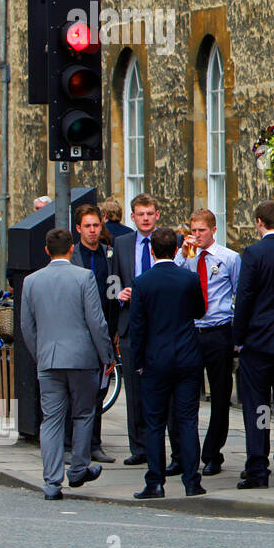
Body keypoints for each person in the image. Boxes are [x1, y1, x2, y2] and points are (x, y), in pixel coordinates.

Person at [19, 228, 116, 500]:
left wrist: (41, 355)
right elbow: (96, 322)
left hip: (48, 359)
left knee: (51, 420)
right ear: (71, 249)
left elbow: (27, 326)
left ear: (47, 250)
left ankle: (51, 483)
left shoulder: (31, 281)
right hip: (82, 359)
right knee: (83, 415)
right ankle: (78, 470)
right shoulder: (83, 277)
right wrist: (107, 356)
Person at [127, 227, 207, 499]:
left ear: (152, 251)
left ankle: (155, 482)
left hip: (155, 360)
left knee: (154, 423)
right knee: (187, 421)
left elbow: (137, 327)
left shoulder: (143, 282)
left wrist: (138, 362)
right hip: (186, 357)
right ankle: (192, 481)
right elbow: (200, 311)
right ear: (175, 250)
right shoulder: (188, 278)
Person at [231, 201, 274, 489]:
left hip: (258, 342)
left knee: (259, 407)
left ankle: (258, 468)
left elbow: (244, 297)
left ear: (260, 222)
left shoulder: (254, 252)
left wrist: (237, 338)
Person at [109, 193, 181, 468]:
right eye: (141, 214)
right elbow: (111, 281)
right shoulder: (122, 243)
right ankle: (139, 448)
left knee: (170, 394)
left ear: (157, 215)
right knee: (135, 390)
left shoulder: (170, 241)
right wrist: (119, 294)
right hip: (131, 323)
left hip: (162, 325)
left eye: (150, 213)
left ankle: (174, 451)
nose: (146, 218)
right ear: (133, 217)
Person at [174, 208, 241, 477]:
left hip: (218, 330)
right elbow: (172, 277)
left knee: (220, 394)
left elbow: (238, 294)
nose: (197, 236)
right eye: (194, 231)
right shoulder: (187, 257)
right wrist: (182, 252)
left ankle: (213, 452)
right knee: (186, 395)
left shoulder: (229, 258)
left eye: (202, 231)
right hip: (192, 330)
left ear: (213, 230)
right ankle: (183, 453)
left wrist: (237, 336)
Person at [67, 204, 116, 464]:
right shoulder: (72, 256)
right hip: (77, 332)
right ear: (78, 229)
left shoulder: (110, 254)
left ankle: (94, 444)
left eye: (96, 225)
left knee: (99, 391)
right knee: (73, 391)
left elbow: (114, 291)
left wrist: (114, 330)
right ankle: (69, 444)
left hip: (102, 330)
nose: (93, 230)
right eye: (87, 226)